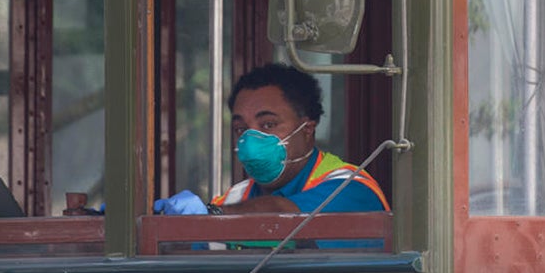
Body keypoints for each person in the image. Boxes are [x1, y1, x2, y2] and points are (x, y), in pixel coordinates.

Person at [154, 62, 389, 217]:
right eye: (240, 129)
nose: (251, 138)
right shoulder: (235, 198)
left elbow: (282, 214)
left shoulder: (352, 187)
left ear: (307, 129)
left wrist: (212, 217)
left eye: (268, 125)